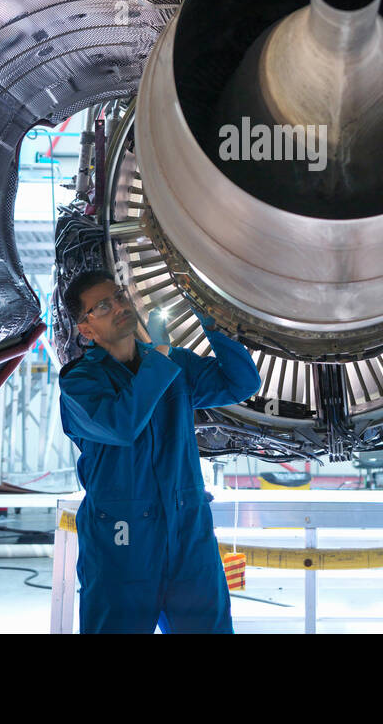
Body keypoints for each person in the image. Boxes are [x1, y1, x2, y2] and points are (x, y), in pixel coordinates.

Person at [58, 268, 261, 634]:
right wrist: (160, 358)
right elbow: (122, 424)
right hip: (123, 546)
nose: (119, 306)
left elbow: (241, 382)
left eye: (119, 296)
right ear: (86, 329)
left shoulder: (175, 364)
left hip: (188, 536)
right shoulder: (79, 383)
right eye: (102, 306)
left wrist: (207, 313)